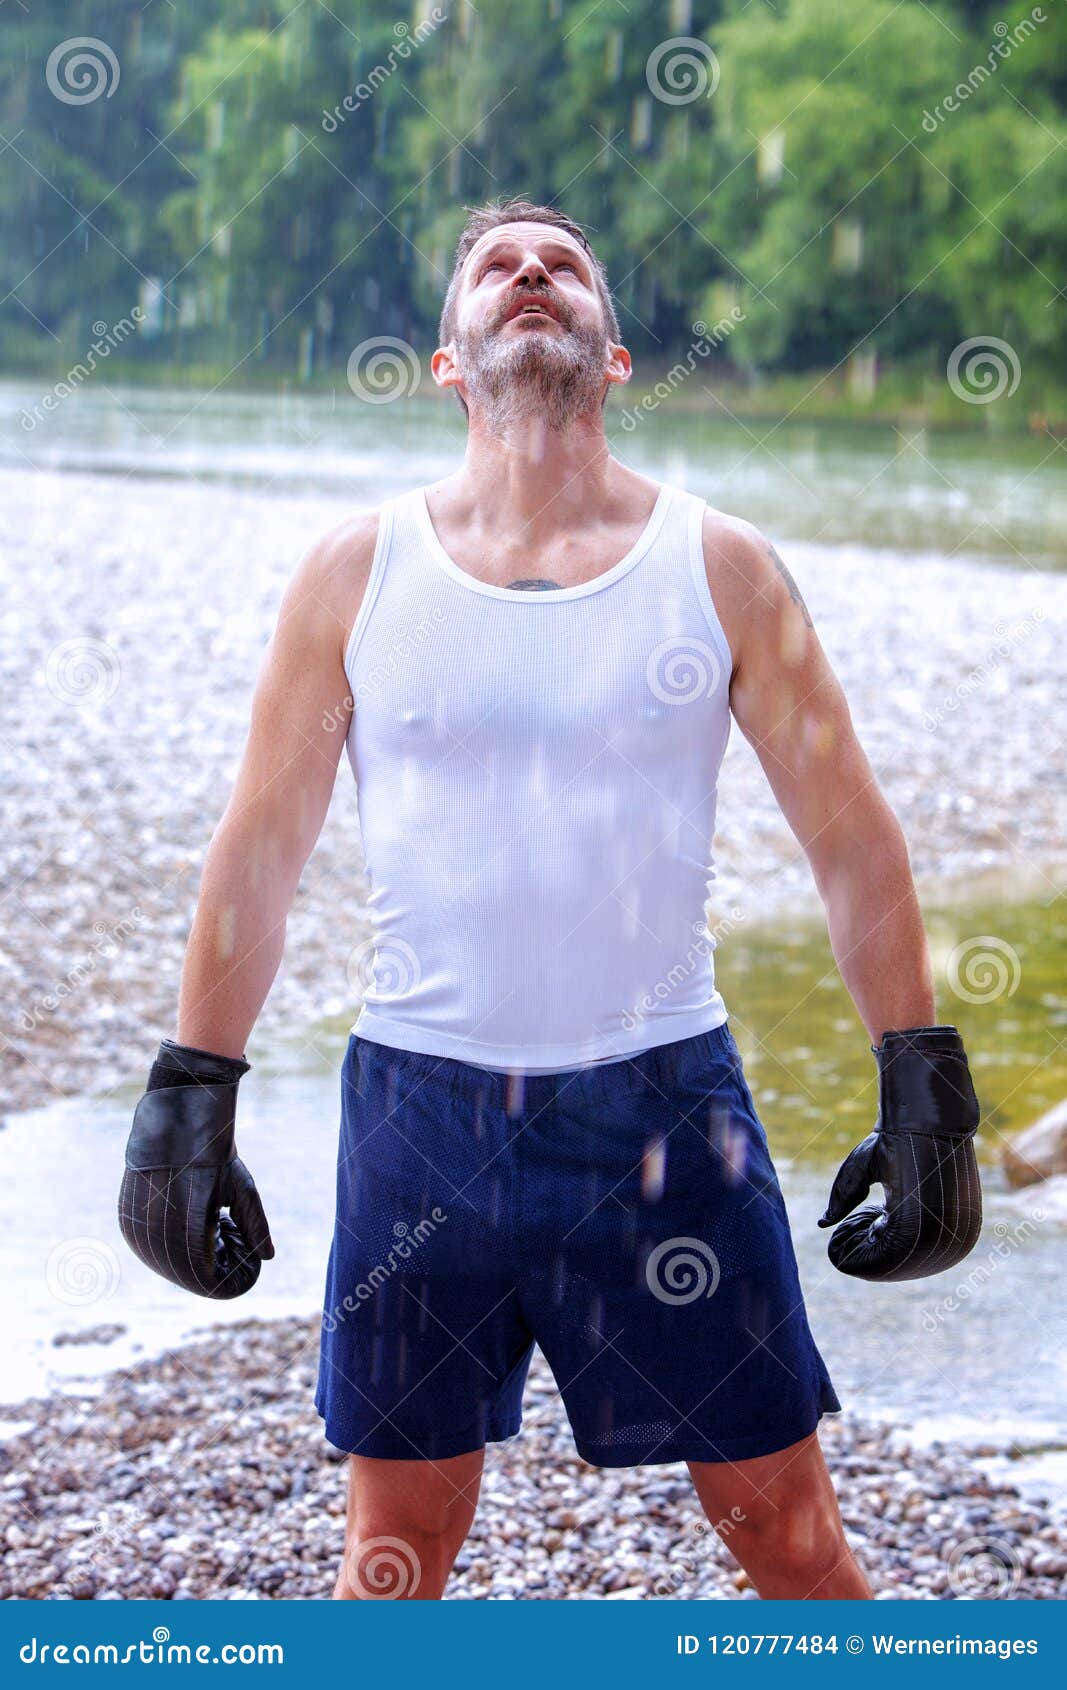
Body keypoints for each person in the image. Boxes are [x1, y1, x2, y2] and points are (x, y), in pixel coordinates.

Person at [119, 198, 982, 1602]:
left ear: (615, 355)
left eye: (563, 265)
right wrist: (190, 1086)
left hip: (664, 1114)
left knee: (784, 1525)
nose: (531, 275)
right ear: (450, 362)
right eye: (497, 267)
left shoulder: (722, 567)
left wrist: (920, 1069)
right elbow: (259, 848)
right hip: (419, 1117)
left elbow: (851, 841)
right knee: (400, 1547)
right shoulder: (355, 572)